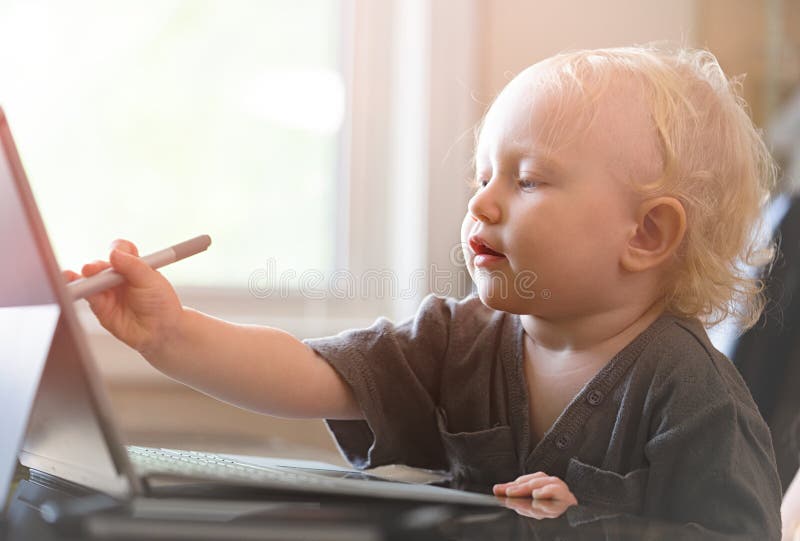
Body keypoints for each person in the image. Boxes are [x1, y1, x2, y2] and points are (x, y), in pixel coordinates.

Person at [64, 45, 782, 537]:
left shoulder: (694, 395)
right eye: (482, 175)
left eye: (527, 179)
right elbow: (309, 375)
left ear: (647, 234)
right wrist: (170, 333)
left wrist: (593, 525)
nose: (482, 202)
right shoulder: (455, 337)